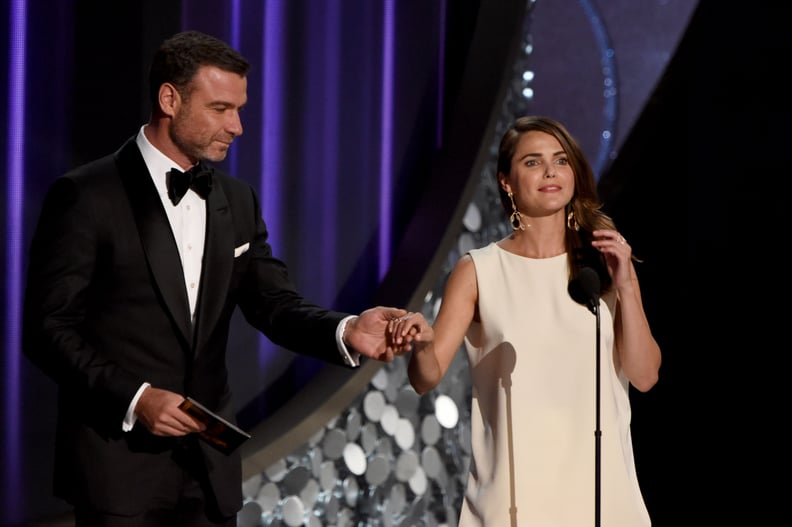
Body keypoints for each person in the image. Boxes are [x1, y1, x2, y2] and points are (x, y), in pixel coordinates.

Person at [22, 30, 411, 526]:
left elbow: (273, 303)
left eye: (240, 109)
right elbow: (47, 327)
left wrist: (345, 329)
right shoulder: (87, 194)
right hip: (117, 470)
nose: (239, 126)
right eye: (221, 108)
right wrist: (136, 397)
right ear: (169, 99)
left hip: (208, 471)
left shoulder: (237, 200)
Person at [390, 115, 661, 526]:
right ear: (506, 181)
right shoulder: (479, 270)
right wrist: (423, 342)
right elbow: (426, 377)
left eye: (561, 160)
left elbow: (644, 376)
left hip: (602, 495)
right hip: (513, 499)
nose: (550, 171)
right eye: (532, 162)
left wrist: (626, 285)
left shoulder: (603, 265)